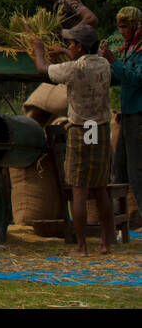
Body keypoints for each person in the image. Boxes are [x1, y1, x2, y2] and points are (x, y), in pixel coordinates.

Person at [32, 24, 113, 255]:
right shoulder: (104, 65)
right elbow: (86, 60)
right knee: (99, 188)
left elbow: (42, 68)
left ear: (79, 46)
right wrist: (65, 52)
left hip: (81, 128)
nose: (68, 46)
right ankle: (105, 244)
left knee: (78, 189)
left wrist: (39, 48)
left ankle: (82, 246)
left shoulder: (72, 69)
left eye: (71, 44)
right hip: (99, 128)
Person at [101, 6, 142, 223]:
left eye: (125, 26)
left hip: (138, 115)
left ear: (136, 25)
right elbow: (121, 79)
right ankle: (119, 219)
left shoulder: (141, 49)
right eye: (119, 26)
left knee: (137, 170)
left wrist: (113, 62)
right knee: (119, 167)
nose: (122, 30)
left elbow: (136, 79)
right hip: (127, 114)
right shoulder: (129, 48)